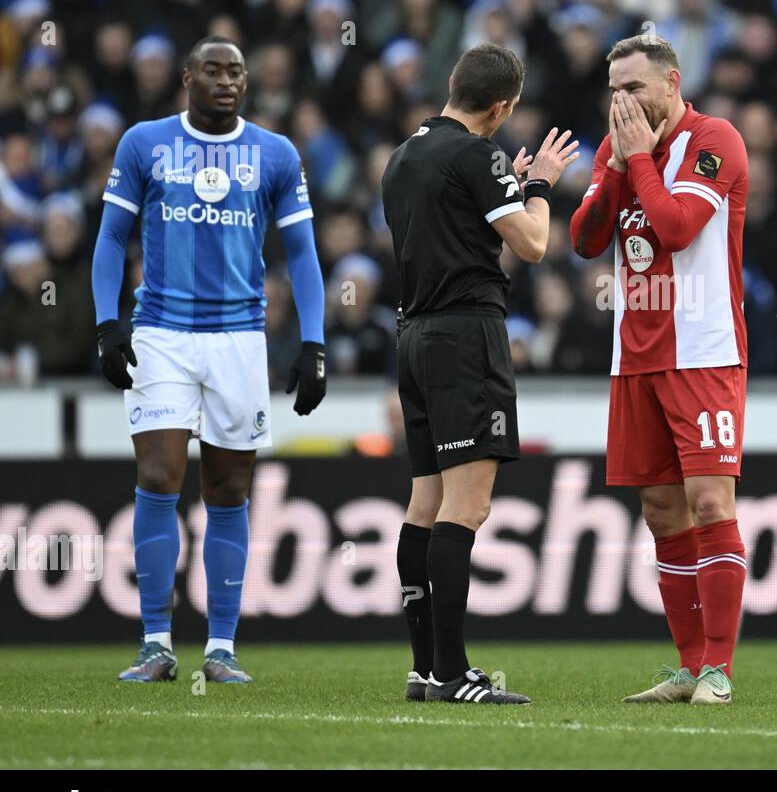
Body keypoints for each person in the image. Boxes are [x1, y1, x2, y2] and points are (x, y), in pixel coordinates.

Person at [91, 36, 327, 685]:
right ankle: (156, 641)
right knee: (161, 474)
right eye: (214, 71)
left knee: (228, 488)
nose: (227, 81)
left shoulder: (275, 153)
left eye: (237, 72)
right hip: (162, 332)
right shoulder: (144, 142)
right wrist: (108, 324)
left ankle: (220, 647)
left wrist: (313, 343)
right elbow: (112, 236)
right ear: (188, 77)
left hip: (239, 340)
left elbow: (302, 254)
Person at [382, 43, 578, 705]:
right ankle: (452, 671)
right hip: (466, 337)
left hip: (412, 336)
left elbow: (452, 229)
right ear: (501, 107)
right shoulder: (476, 153)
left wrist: (503, 189)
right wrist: (539, 187)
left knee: (425, 503)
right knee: (468, 507)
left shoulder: (403, 156)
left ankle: (422, 667)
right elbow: (533, 243)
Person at [569, 33, 749, 705]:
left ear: (671, 83)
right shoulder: (616, 150)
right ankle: (688, 664)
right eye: (614, 90)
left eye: (635, 88)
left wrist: (638, 158)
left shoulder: (715, 140)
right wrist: (616, 166)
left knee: (709, 502)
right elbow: (586, 241)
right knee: (660, 511)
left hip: (703, 350)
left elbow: (674, 227)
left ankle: (719, 672)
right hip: (635, 356)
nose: (623, 102)